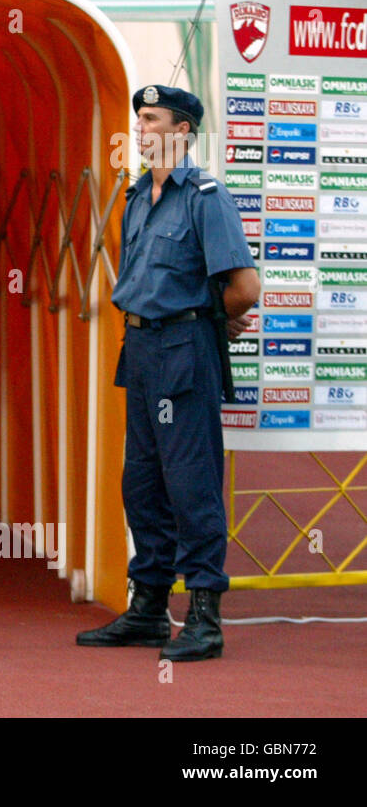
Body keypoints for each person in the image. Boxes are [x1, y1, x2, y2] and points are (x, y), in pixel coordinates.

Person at [77, 85, 260, 662]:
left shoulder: (205, 196)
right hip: (142, 346)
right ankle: (149, 609)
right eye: (138, 118)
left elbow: (245, 287)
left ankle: (205, 619)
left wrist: (209, 321)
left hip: (184, 348)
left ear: (181, 130)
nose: (139, 127)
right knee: (144, 483)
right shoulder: (137, 196)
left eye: (151, 118)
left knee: (192, 483)